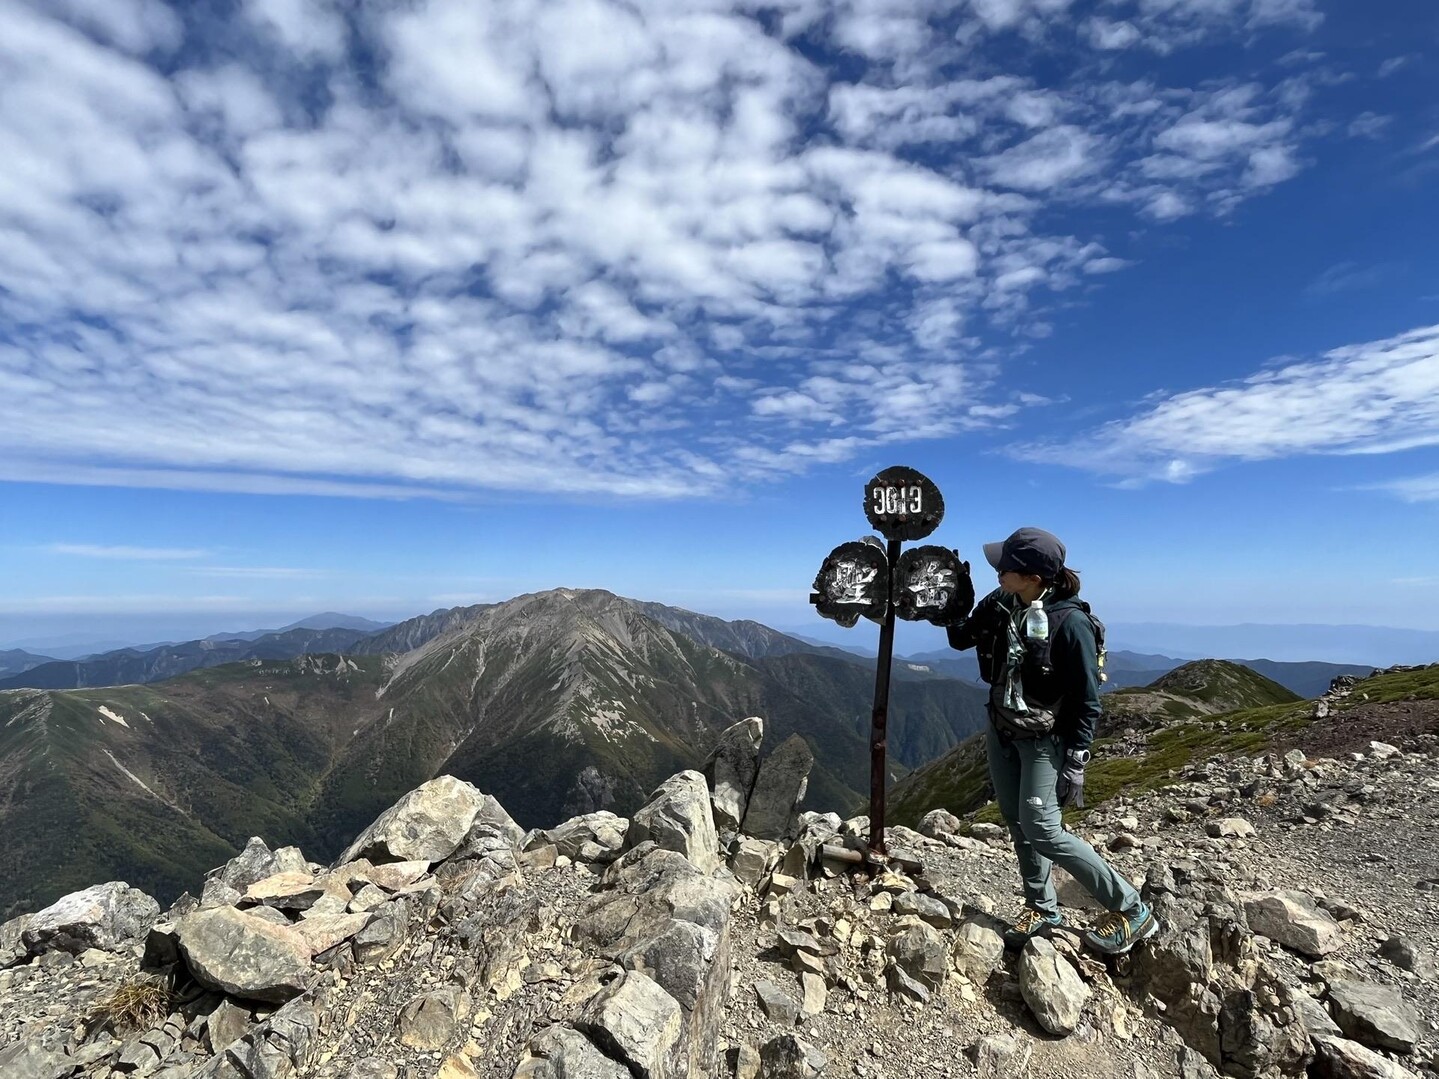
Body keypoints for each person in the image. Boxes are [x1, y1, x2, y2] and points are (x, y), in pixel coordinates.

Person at [944, 526, 1158, 956]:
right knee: (1016, 819)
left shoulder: (1071, 624)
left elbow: (1087, 699)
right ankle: (1042, 907)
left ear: (1033, 577)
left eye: (1005, 566)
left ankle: (1132, 909)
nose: (997, 571)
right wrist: (956, 601)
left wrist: (1077, 759)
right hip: (1002, 727)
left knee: (1043, 828)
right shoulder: (1003, 601)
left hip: (1044, 739)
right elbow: (960, 638)